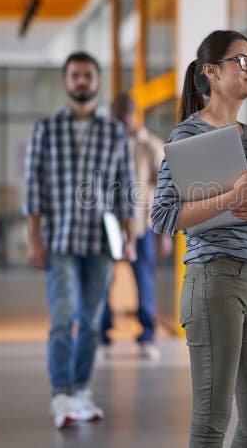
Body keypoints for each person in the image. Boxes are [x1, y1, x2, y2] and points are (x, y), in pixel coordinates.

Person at [151, 30, 247, 447]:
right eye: (242, 61)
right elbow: (164, 216)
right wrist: (230, 198)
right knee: (211, 422)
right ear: (211, 71)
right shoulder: (185, 137)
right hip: (213, 279)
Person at [24, 51, 135, 429]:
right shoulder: (46, 129)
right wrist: (33, 239)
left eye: (88, 75)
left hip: (101, 242)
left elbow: (126, 187)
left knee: (89, 321)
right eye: (75, 75)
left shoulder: (114, 131)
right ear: (65, 82)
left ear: (98, 81)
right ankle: (61, 393)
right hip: (59, 240)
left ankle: (80, 390)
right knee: (63, 317)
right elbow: (33, 188)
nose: (82, 81)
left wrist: (129, 236)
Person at [99, 94, 171, 360]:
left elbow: (165, 191)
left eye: (125, 115)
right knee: (102, 282)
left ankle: (147, 337)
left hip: (142, 227)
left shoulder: (151, 145)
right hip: (108, 226)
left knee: (144, 282)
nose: (120, 120)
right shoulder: (102, 143)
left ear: (134, 115)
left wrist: (164, 233)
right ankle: (102, 337)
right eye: (116, 115)